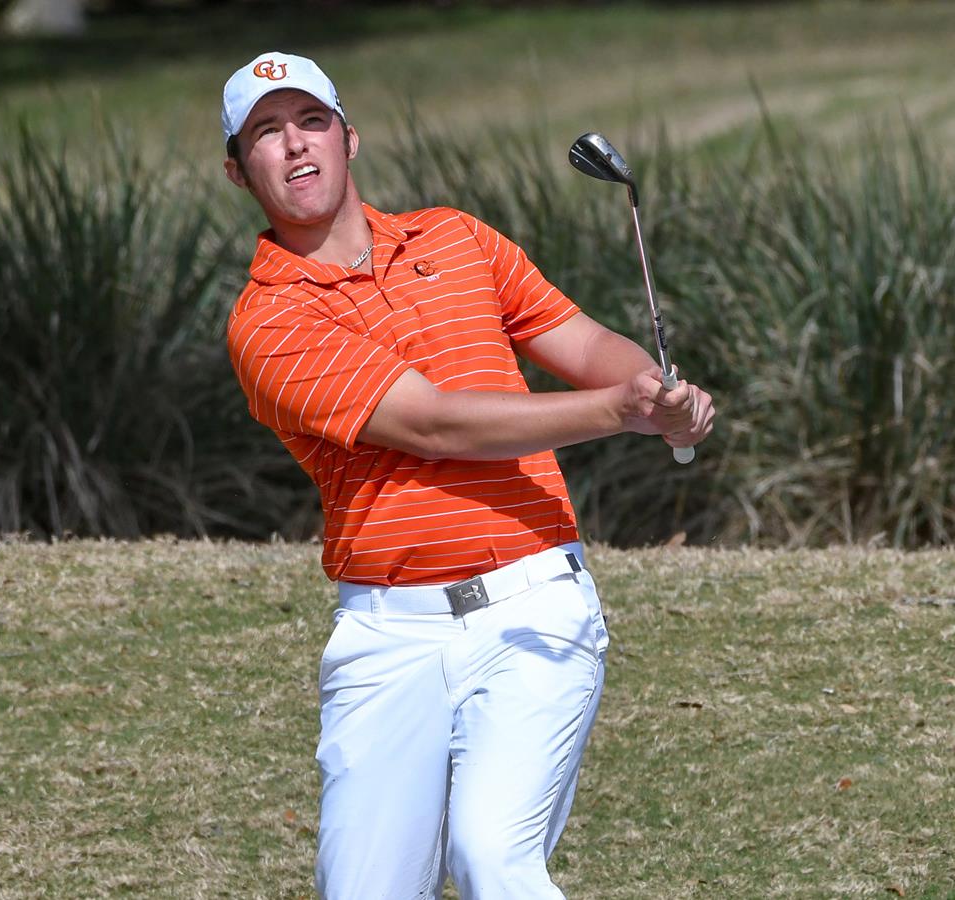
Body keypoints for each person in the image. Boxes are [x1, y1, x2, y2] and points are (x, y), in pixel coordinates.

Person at [220, 51, 714, 900]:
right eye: (266, 132)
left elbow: (589, 348)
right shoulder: (269, 319)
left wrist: (655, 390)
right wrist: (614, 412)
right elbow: (434, 423)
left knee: (493, 860)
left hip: (534, 606)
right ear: (239, 169)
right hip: (388, 635)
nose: (294, 145)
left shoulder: (455, 236)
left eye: (310, 121)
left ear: (349, 138)